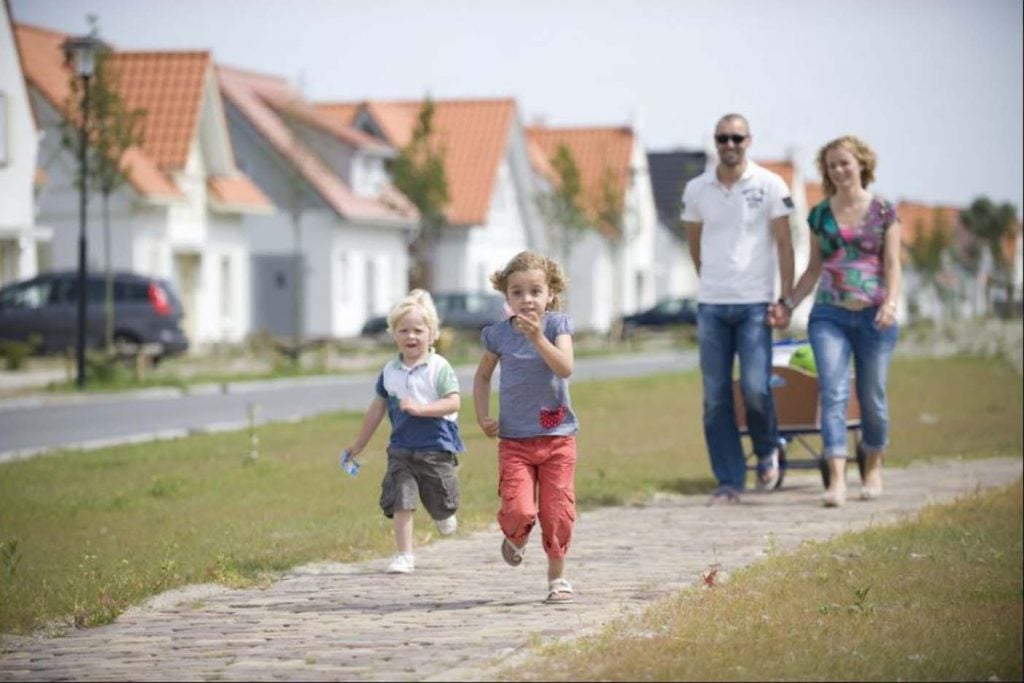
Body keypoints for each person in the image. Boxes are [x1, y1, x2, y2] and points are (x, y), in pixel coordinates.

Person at [780, 134, 901, 507]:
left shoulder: (883, 211)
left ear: (861, 164)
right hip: (829, 314)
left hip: (874, 316)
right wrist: (787, 303)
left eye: (844, 162)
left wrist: (890, 303)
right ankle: (836, 480)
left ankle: (873, 466)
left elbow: (893, 263)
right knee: (832, 393)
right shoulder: (819, 214)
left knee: (873, 398)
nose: (838, 170)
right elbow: (814, 268)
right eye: (832, 165)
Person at [681, 113, 796, 505]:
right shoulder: (697, 189)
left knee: (755, 388)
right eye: (722, 138)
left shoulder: (769, 184)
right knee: (715, 398)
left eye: (736, 138)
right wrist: (710, 279)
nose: (729, 145)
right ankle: (729, 479)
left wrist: (786, 299)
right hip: (712, 304)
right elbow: (694, 244)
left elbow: (785, 244)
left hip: (754, 304)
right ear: (715, 142)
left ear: (749, 140)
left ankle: (766, 449)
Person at [473, 251, 579, 604]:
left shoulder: (557, 326)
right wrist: (482, 414)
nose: (527, 299)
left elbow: (565, 367)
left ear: (550, 294)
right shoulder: (498, 335)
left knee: (557, 512)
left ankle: (557, 578)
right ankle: (515, 535)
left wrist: (537, 339)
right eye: (517, 292)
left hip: (558, 437)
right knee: (521, 510)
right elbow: (483, 376)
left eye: (535, 291)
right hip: (515, 440)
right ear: (507, 297)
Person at [344, 289, 464, 573]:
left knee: (442, 501)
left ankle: (444, 512)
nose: (411, 337)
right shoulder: (390, 371)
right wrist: (359, 444)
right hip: (401, 448)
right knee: (402, 499)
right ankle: (404, 555)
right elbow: (377, 408)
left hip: (437, 447)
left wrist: (422, 409)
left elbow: (454, 401)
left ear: (431, 333)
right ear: (393, 334)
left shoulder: (439, 367)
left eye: (418, 331)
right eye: (404, 330)